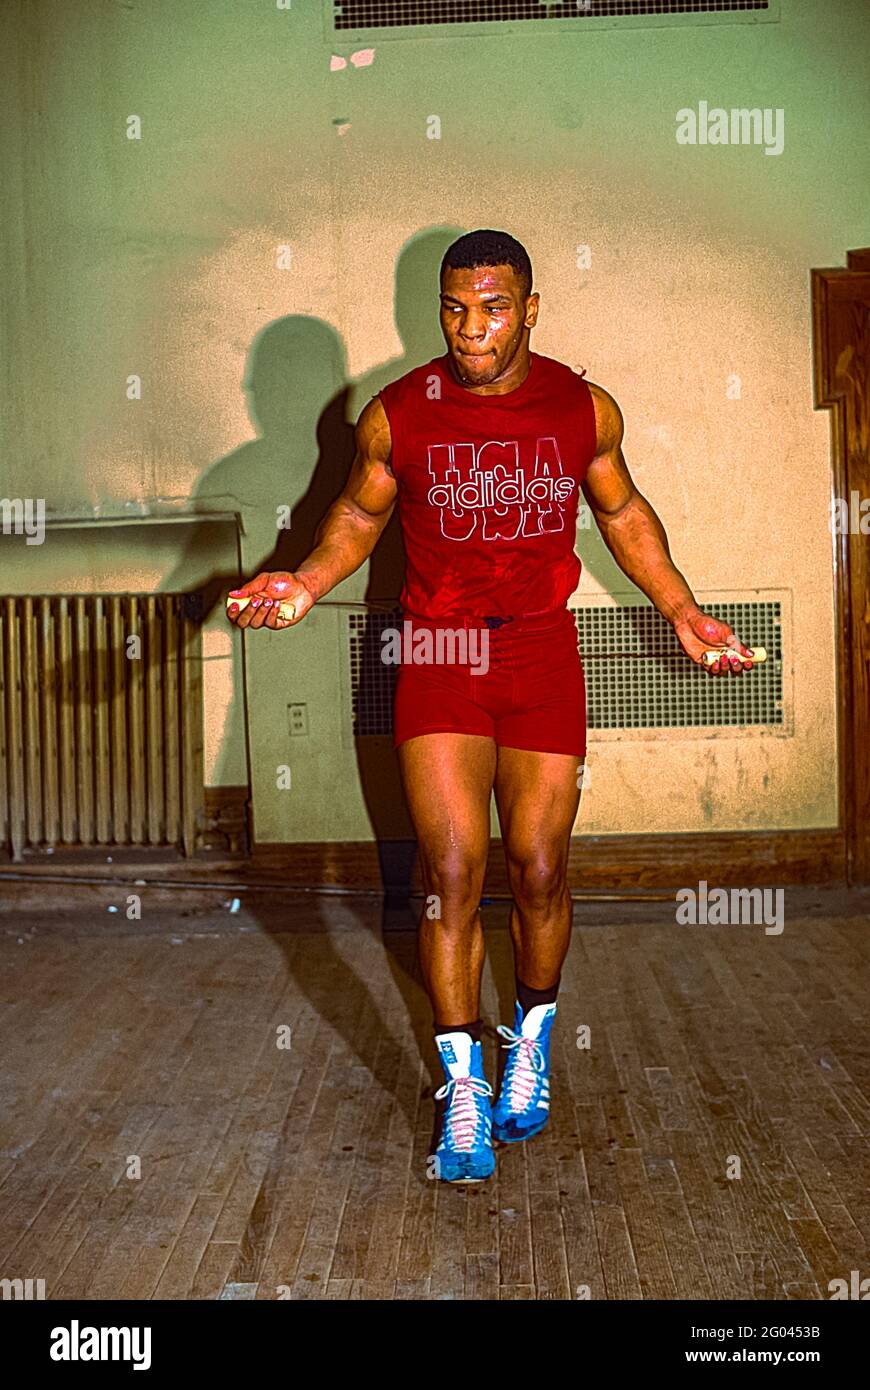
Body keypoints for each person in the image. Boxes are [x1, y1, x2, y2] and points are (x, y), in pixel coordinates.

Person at [227, 229, 753, 1183]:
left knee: (542, 867)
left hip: (542, 649)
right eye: (454, 309)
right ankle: (462, 1081)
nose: (472, 331)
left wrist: (680, 608)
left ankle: (534, 1040)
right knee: (454, 866)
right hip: (440, 648)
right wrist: (305, 582)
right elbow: (357, 514)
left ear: (532, 309)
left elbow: (624, 512)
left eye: (495, 308)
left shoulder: (582, 408)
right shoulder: (397, 414)